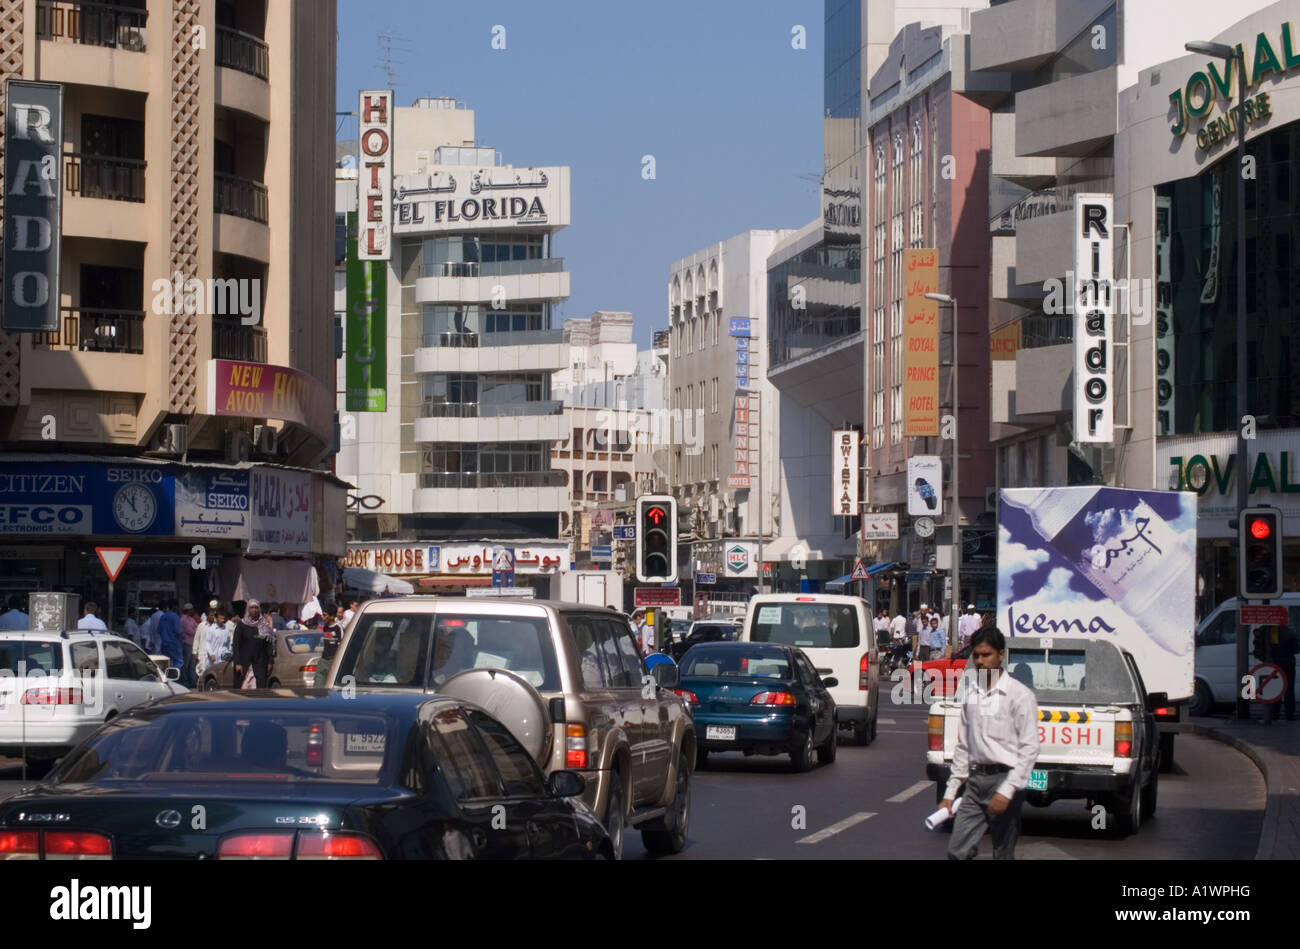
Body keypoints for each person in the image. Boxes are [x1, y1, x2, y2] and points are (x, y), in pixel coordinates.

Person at [941, 626, 1040, 860]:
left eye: (986, 655)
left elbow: (1030, 748)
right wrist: (950, 792)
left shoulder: (1020, 695)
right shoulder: (971, 695)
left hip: (1005, 780)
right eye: (976, 655)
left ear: (1001, 655)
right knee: (957, 851)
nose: (980, 661)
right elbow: (964, 747)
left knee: (1002, 853)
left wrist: (1006, 791)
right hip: (975, 784)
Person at [1255, 623, 1298, 722]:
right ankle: (1289, 714)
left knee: (1276, 688)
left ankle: (1274, 714)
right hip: (1288, 662)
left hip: (1273, 663)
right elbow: (1295, 648)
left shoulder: (1265, 630)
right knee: (1289, 689)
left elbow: (1258, 647)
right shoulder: (1289, 631)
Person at [233, 599, 275, 689]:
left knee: (259, 690)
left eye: (256, 608)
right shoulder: (241, 625)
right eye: (252, 607)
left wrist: (270, 661)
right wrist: (237, 662)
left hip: (260, 662)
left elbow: (269, 644)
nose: (254, 610)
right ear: (248, 609)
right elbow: (236, 644)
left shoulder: (264, 624)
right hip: (244, 663)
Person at [157, 600, 184, 675]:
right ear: (175, 607)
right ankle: (175, 679)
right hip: (173, 643)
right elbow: (178, 631)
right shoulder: (175, 616)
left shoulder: (163, 616)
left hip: (164, 644)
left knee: (167, 662)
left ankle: (167, 677)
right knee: (178, 662)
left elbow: (159, 630)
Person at [179, 604, 199, 688]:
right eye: (192, 609)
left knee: (192, 664)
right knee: (186, 664)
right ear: (188, 610)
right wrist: (196, 631)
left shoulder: (191, 619)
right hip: (186, 644)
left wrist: (196, 631)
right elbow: (191, 631)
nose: (193, 611)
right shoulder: (183, 619)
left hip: (192, 644)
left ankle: (193, 681)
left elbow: (197, 628)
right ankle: (185, 681)